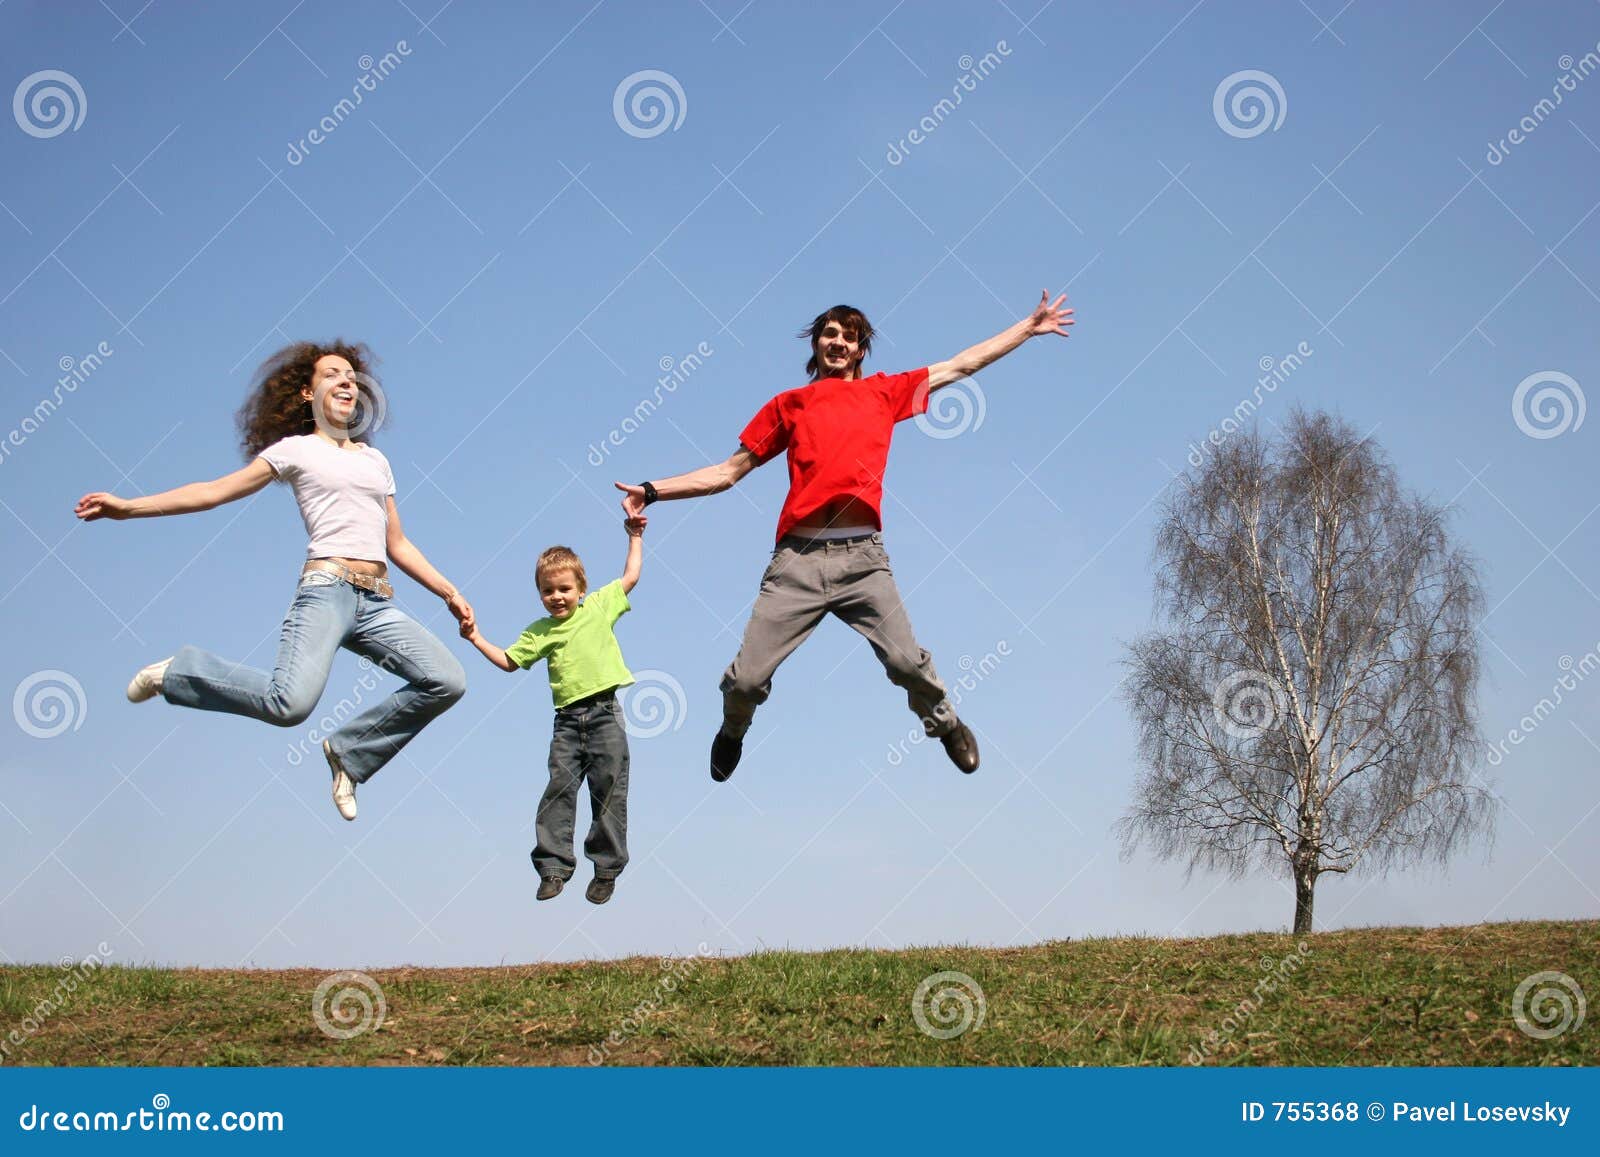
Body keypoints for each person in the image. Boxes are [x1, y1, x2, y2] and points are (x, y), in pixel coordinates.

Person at [616, 290, 1073, 782]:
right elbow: (727, 473)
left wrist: (1027, 327)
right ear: (815, 345)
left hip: (863, 561)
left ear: (859, 350)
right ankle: (732, 729)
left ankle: (947, 725)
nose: (837, 342)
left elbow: (960, 365)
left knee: (906, 664)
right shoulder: (789, 405)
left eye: (848, 337)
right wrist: (652, 490)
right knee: (746, 678)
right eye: (828, 334)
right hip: (797, 563)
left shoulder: (884, 393)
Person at [74, 341, 472, 822]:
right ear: (307, 393)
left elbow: (398, 543)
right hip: (326, 591)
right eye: (332, 374)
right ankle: (177, 673)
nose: (346, 381)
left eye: (351, 375)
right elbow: (213, 492)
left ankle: (350, 754)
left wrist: (449, 591)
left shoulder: (374, 462)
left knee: (446, 680)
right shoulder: (295, 451)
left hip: (377, 603)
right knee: (289, 705)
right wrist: (129, 507)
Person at [459, 519, 646, 905]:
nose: (557, 597)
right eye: (548, 591)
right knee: (558, 790)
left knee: (608, 790)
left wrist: (635, 536)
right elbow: (509, 662)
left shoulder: (597, 608)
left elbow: (630, 576)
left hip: (604, 714)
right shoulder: (540, 631)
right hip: (566, 723)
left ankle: (606, 869)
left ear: (581, 589)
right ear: (540, 594)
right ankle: (554, 868)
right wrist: (475, 637)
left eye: (565, 589)